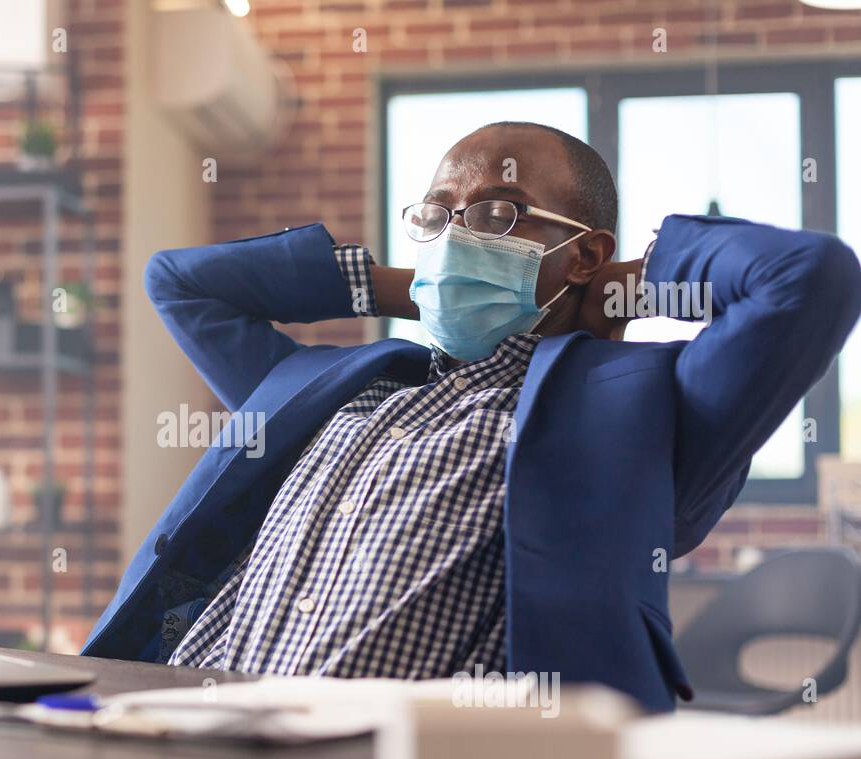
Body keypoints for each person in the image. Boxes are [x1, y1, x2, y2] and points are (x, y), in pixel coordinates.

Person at [81, 121, 861, 712]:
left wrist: (632, 285)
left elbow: (807, 277)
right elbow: (178, 282)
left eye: (497, 215)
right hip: (181, 723)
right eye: (438, 217)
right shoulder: (322, 382)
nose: (455, 237)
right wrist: (405, 288)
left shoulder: (637, 411)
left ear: (584, 255)